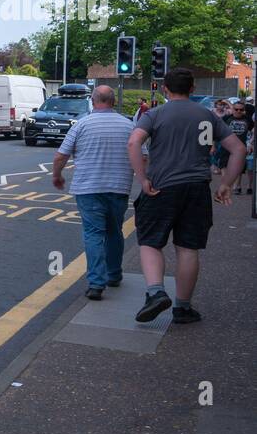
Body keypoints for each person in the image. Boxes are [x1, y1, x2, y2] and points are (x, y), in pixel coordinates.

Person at [127, 68, 245, 325]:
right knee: (188, 248)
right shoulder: (208, 116)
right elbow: (238, 149)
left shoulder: (155, 114)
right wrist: (226, 183)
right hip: (197, 188)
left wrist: (142, 178)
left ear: (165, 89)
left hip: (161, 187)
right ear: (192, 89)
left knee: (149, 241)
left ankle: (156, 292)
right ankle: (182, 308)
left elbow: (134, 143)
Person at [51, 86, 134, 300]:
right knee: (114, 231)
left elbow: (61, 156)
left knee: (94, 234)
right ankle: (114, 275)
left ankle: (97, 283)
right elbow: (142, 156)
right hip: (119, 187)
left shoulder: (82, 125)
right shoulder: (128, 125)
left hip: (88, 188)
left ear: (93, 101)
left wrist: (57, 176)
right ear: (113, 101)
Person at [224, 100, 252, 195]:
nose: (239, 111)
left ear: (244, 110)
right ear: (233, 109)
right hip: (227, 146)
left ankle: (237, 186)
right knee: (226, 166)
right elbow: (219, 130)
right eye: (236, 109)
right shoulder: (227, 118)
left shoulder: (247, 119)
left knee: (239, 167)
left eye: (241, 109)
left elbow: (252, 130)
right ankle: (227, 185)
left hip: (241, 147)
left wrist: (250, 143)